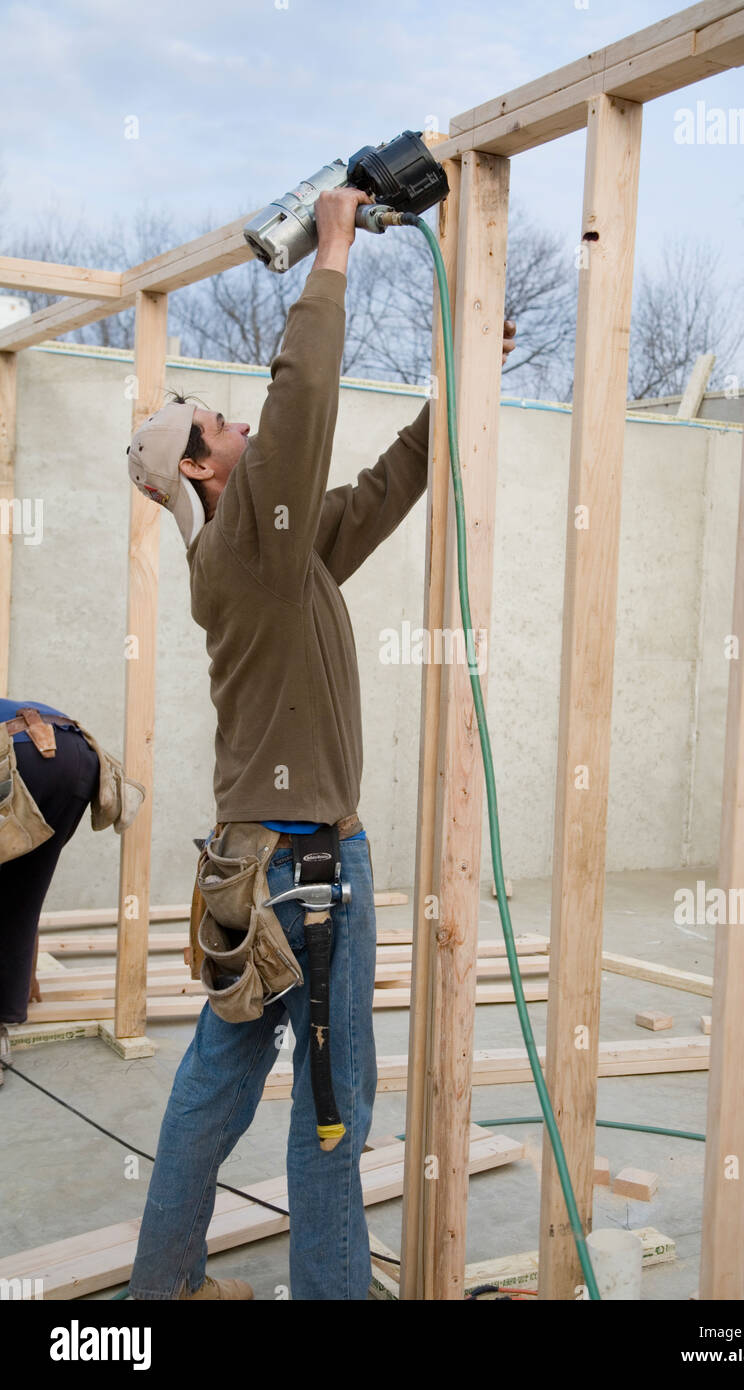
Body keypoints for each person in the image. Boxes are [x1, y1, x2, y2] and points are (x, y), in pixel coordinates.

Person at [125, 187, 517, 1300]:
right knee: (334, 1111)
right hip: (308, 872)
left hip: (251, 868)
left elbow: (387, 487)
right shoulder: (248, 538)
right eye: (219, 426)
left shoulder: (272, 550)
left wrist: (454, 394)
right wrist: (332, 247)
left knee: (216, 1080)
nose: (239, 424)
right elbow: (298, 405)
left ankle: (162, 1290)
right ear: (203, 471)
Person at [0, 700, 102, 1045]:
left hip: (17, 753)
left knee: (17, 887)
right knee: (23, 887)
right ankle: (12, 998)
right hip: (75, 752)